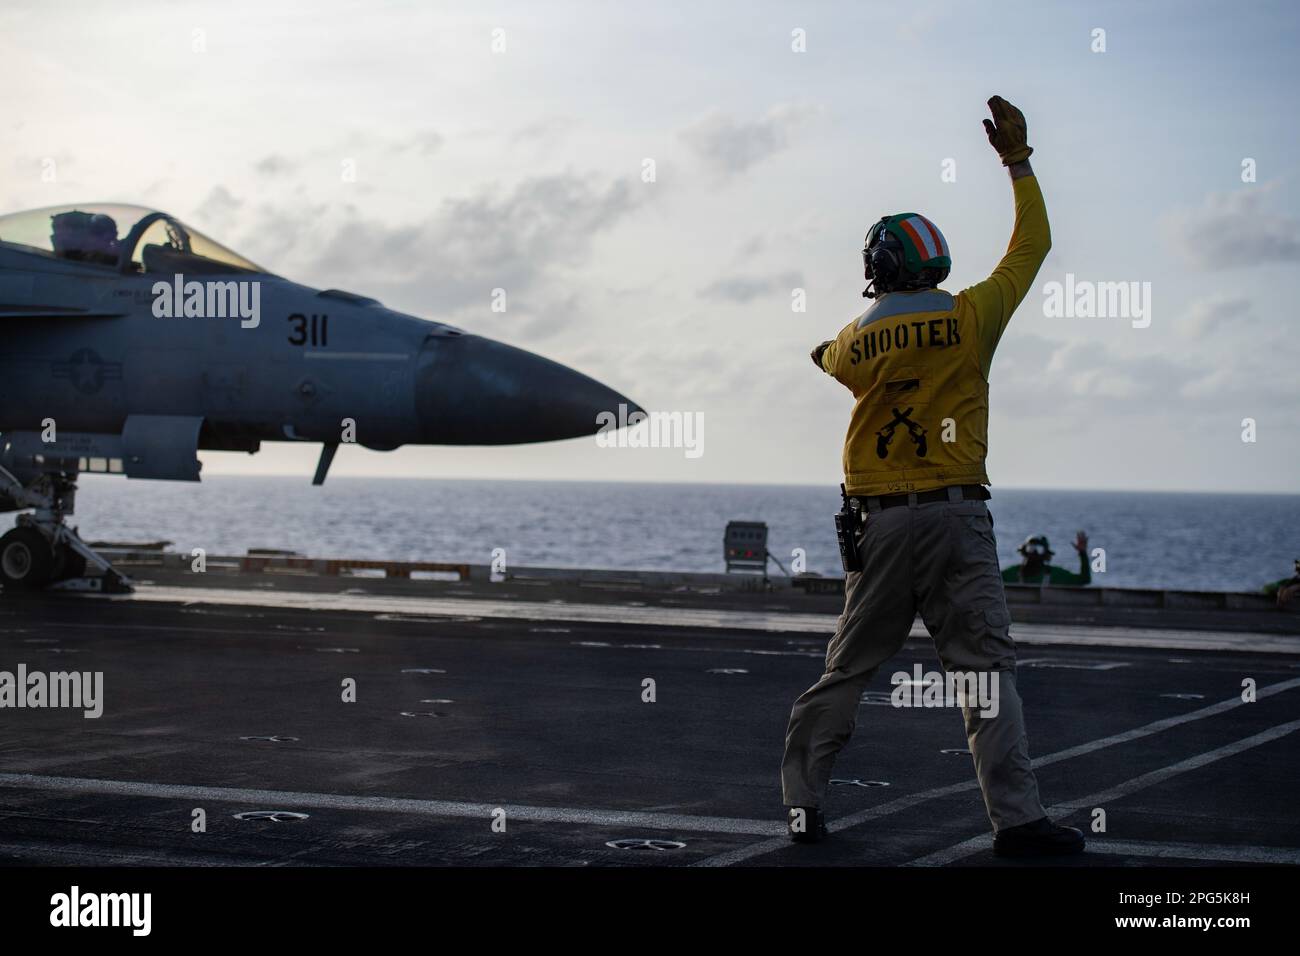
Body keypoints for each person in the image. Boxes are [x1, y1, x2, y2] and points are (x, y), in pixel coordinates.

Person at [780, 96, 1084, 858]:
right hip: (957, 518)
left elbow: (826, 356)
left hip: (878, 525)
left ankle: (801, 805)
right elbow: (1032, 247)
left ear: (876, 271)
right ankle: (1017, 823)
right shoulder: (973, 316)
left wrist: (826, 350)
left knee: (847, 667)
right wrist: (1018, 163)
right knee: (986, 672)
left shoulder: (855, 342)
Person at [1002, 531, 1092, 585]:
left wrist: (1082, 553)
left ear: (1045, 554)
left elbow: (1084, 579)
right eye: (1031, 548)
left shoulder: (1055, 575)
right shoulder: (1011, 574)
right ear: (1025, 551)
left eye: (1039, 549)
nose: (1034, 553)